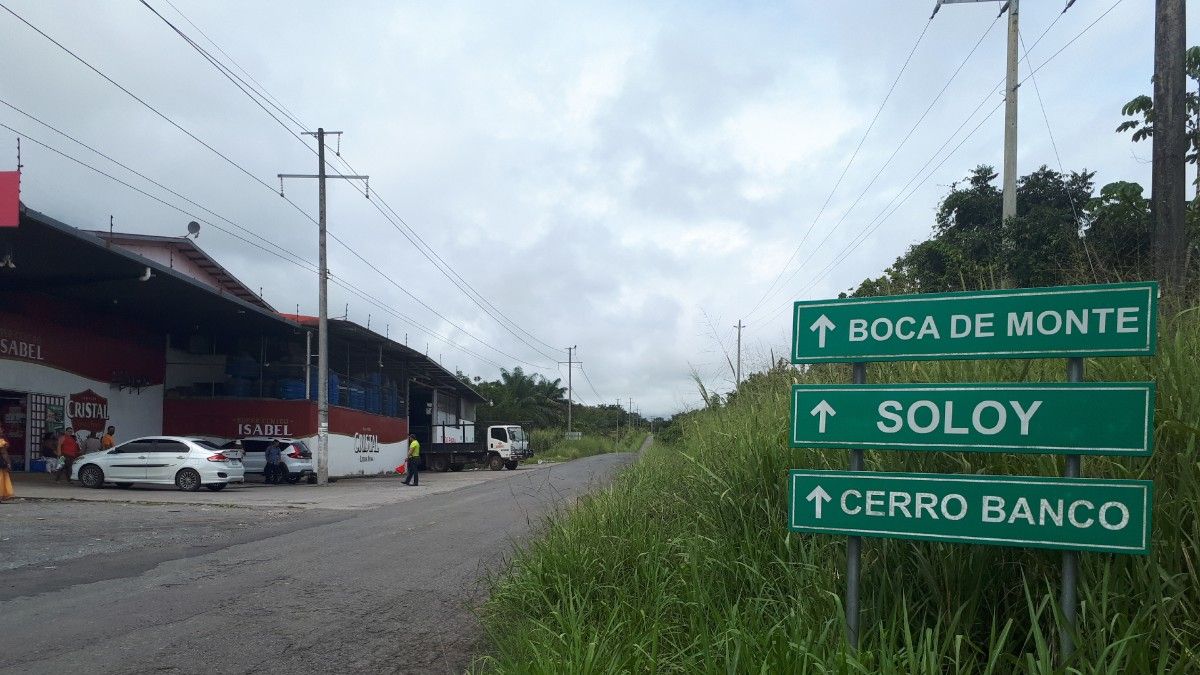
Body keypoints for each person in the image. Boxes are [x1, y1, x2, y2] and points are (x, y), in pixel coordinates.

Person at [0, 422, 13, 502]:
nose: (2, 430)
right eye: (0, 428)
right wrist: (8, 463)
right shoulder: (1, 442)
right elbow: (4, 453)